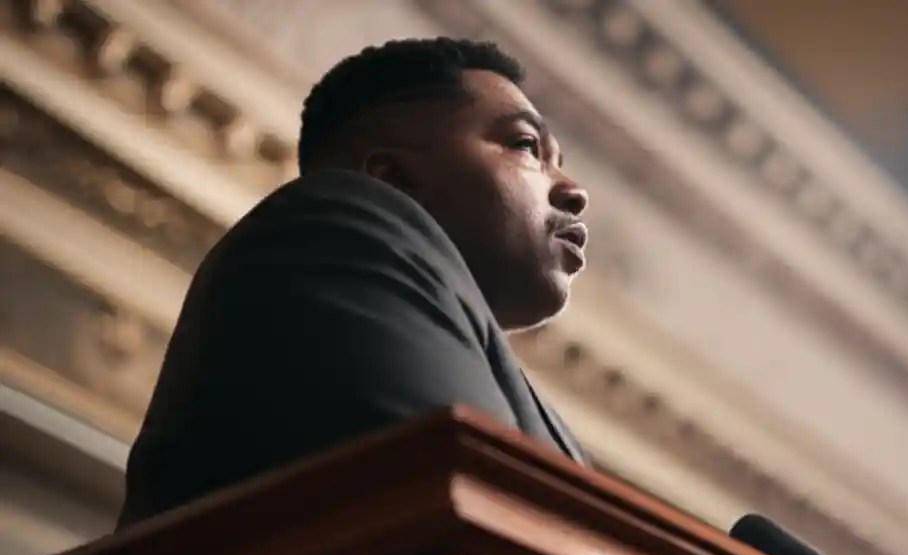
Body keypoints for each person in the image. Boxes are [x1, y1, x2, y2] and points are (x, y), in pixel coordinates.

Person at [119, 38, 590, 527]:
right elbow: (491, 510)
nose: (573, 191)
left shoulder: (497, 368)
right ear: (392, 179)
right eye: (525, 146)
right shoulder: (337, 223)